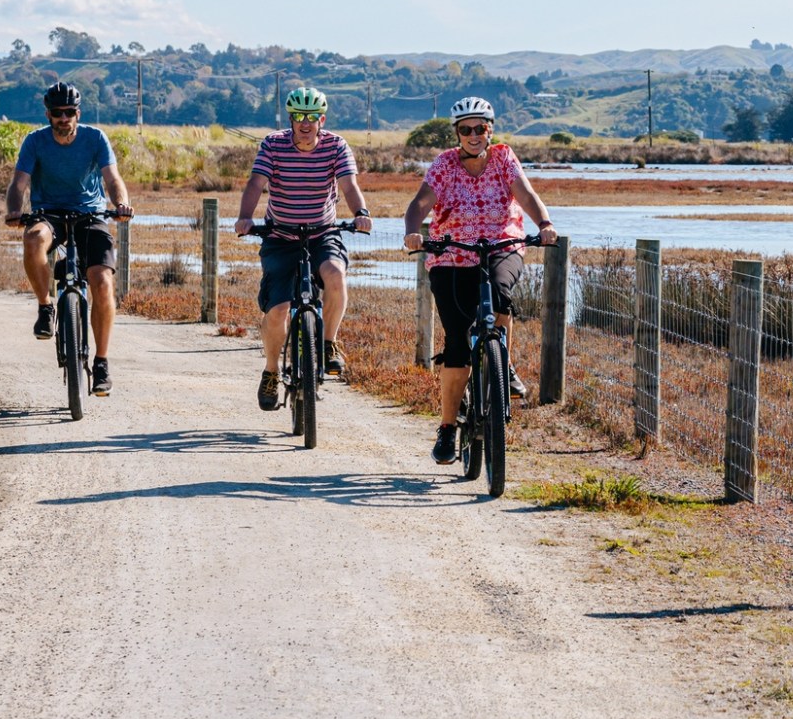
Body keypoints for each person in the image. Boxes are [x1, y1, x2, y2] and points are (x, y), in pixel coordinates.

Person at [403, 96, 558, 465]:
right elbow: (420, 203)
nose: (474, 135)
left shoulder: (504, 158)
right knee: (457, 342)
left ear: (491, 130)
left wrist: (545, 224)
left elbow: (527, 195)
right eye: (466, 129)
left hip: (501, 246)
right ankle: (447, 428)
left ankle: (501, 366)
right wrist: (412, 231)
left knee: (501, 298)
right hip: (451, 254)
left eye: (480, 128)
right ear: (457, 133)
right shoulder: (444, 164)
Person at [235, 87, 373, 412]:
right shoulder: (273, 144)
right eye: (299, 117)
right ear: (291, 119)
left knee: (336, 275)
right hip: (280, 236)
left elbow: (349, 185)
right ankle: (271, 371)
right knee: (278, 310)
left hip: (322, 234)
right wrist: (245, 217)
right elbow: (256, 183)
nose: (305, 123)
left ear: (321, 119)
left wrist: (361, 214)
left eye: (312, 117)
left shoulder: (337, 145)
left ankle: (328, 344)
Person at [5, 82, 136, 396]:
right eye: (57, 113)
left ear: (78, 113)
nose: (64, 119)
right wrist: (13, 210)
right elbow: (18, 183)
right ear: (48, 114)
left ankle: (101, 363)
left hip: (90, 215)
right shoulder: (35, 142)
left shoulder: (95, 138)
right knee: (34, 239)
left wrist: (120, 204)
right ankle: (45, 307)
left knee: (102, 281)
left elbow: (112, 178)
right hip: (49, 213)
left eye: (69, 113)